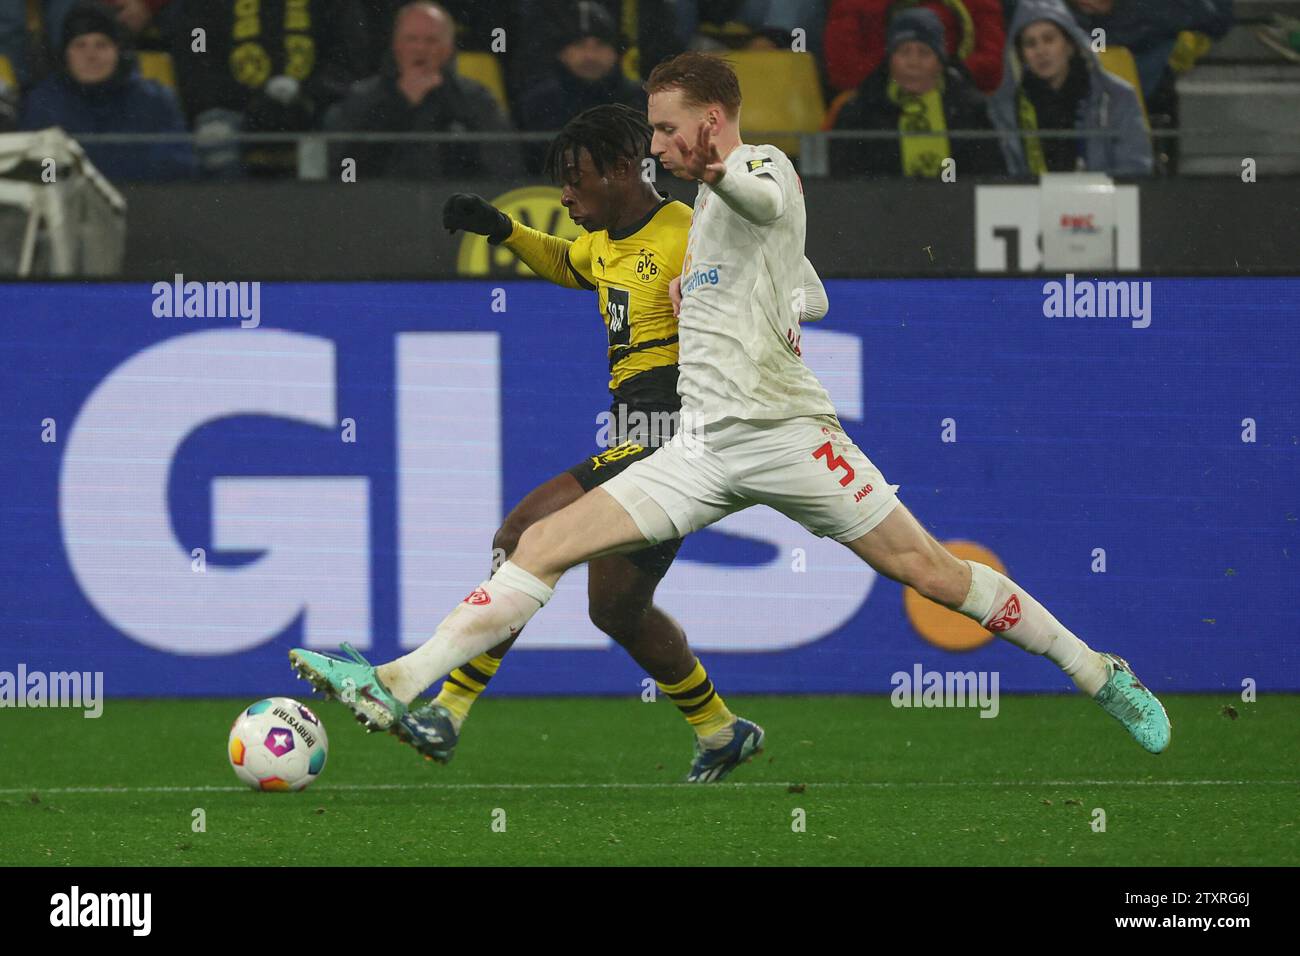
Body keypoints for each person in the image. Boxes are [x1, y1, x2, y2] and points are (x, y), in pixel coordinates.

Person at [291, 52, 1171, 766]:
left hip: (789, 436)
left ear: (709, 123)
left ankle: (1097, 671)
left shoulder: (757, 169)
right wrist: (765, 294)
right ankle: (403, 680)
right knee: (542, 543)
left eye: (668, 129)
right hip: (700, 446)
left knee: (933, 574)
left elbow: (766, 198)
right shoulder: (699, 215)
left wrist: (728, 180)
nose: (657, 144)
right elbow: (799, 282)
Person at [400, 104, 783, 782]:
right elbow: (571, 263)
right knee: (614, 609)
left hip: (674, 432)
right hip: (640, 434)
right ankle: (721, 730)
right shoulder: (607, 238)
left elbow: (757, 282)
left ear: (618, 171)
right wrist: (501, 228)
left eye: (575, 181)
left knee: (522, 533)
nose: (566, 196)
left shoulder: (687, 235)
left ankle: (449, 708)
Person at [324, 1, 515, 179]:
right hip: (373, 207)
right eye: (411, 39)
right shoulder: (363, 98)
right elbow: (340, 172)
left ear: (448, 49)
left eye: (431, 40)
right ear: (396, 46)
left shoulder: (476, 99)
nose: (420, 48)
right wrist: (399, 104)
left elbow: (505, 168)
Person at [20, 2, 194, 181]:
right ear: (65, 55)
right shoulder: (43, 103)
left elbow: (177, 167)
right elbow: (37, 173)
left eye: (101, 45)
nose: (91, 55)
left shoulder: (155, 100)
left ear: (118, 52)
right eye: (80, 45)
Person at [830, 8, 1002, 177]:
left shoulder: (972, 112)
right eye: (904, 52)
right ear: (890, 59)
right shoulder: (859, 113)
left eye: (924, 53)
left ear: (940, 62)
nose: (914, 62)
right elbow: (845, 186)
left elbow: (988, 180)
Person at [988, 0, 1153, 176]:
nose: (1041, 51)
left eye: (1049, 39)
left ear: (1070, 45)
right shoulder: (1005, 108)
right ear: (1021, 55)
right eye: (1030, 43)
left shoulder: (1117, 97)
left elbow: (1135, 170)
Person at [515, 2, 647, 175]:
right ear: (562, 53)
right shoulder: (536, 104)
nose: (590, 55)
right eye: (580, 45)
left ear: (616, 53)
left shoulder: (642, 99)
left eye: (600, 45)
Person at [824, 0, 1007, 95]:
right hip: (876, 107)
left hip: (957, 103)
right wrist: (900, 73)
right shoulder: (852, 4)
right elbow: (842, 71)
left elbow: (991, 67)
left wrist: (938, 75)